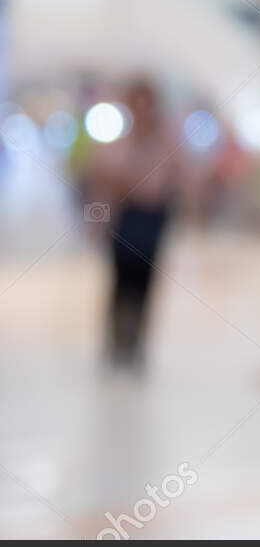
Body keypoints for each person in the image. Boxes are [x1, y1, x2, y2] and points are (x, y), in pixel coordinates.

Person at [87, 79, 183, 371]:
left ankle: (137, 342)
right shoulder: (118, 142)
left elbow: (173, 179)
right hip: (124, 219)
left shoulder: (165, 143)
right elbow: (101, 178)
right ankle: (116, 341)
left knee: (145, 284)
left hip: (152, 219)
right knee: (120, 283)